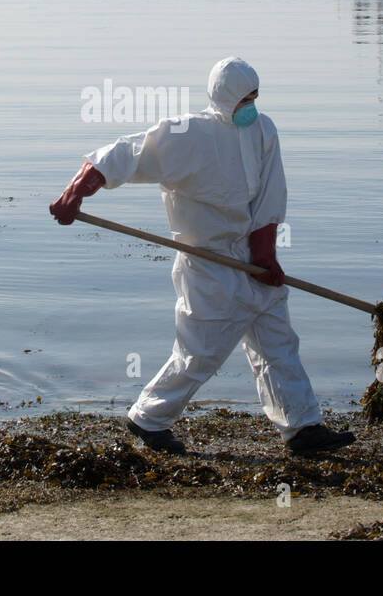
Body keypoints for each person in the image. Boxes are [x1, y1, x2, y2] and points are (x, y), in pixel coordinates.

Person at [49, 57, 356, 456]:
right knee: (200, 353)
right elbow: (124, 153)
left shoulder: (263, 130)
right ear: (224, 97)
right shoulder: (188, 134)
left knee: (277, 343)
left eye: (255, 97)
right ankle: (148, 418)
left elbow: (270, 196)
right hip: (208, 264)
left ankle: (301, 427)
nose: (251, 105)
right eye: (244, 98)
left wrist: (265, 257)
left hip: (251, 259)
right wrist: (76, 192)